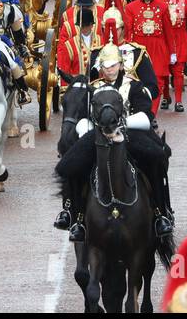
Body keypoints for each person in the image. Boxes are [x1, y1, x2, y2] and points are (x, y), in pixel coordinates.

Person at [55, 41, 173, 246]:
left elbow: (145, 115)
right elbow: (82, 117)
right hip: (99, 136)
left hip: (130, 135)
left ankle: (160, 212)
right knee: (71, 164)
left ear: (120, 64)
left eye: (113, 65)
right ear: (100, 67)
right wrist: (88, 129)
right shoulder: (93, 89)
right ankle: (74, 214)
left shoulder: (134, 86)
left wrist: (120, 125)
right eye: (106, 66)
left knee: (156, 158)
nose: (109, 69)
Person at [125, 0, 176, 113]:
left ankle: (152, 114)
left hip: (158, 47)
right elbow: (128, 31)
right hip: (139, 48)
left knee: (158, 80)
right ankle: (142, 109)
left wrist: (172, 52)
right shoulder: (130, 7)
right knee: (138, 80)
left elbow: (168, 32)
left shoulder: (163, 7)